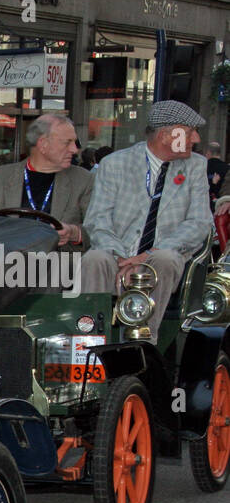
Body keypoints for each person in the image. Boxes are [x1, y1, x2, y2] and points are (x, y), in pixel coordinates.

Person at [81, 100, 212, 338]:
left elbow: (199, 222)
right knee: (95, 258)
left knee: (165, 258)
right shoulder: (115, 164)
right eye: (191, 131)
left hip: (161, 257)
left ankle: (144, 339)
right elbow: (97, 220)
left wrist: (149, 254)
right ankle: (89, 338)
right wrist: (122, 257)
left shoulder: (195, 166)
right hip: (116, 257)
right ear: (166, 135)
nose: (196, 139)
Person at [0, 114, 93, 247]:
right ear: (43, 144)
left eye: (75, 142)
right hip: (7, 261)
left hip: (58, 263)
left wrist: (74, 233)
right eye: (67, 142)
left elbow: (98, 231)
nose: (74, 149)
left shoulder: (83, 180)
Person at [204, 141, 227, 206]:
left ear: (208, 153)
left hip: (204, 204)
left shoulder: (202, 167)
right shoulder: (227, 168)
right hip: (222, 205)